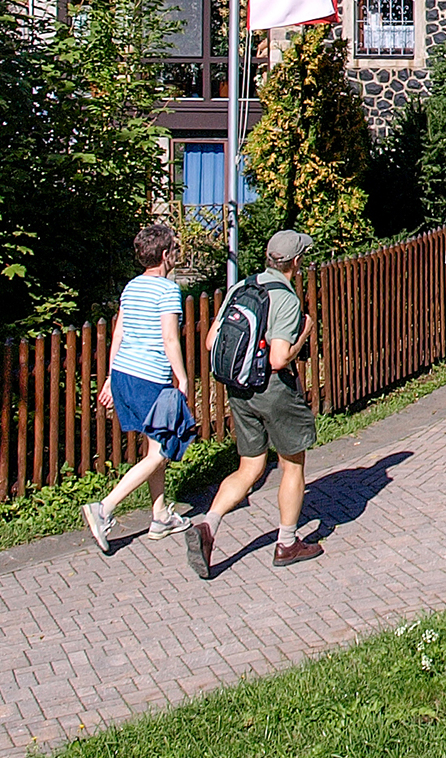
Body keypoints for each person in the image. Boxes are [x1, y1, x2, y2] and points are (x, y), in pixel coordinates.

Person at [186, 229, 323, 575]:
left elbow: (210, 342)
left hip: (240, 390)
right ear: (295, 261)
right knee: (292, 463)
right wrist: (304, 333)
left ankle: (208, 526)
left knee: (250, 467)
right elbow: (279, 359)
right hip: (273, 389)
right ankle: (288, 543)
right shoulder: (287, 299)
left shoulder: (242, 286)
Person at [85, 222, 198, 552]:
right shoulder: (167, 291)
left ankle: (160, 515)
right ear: (165, 256)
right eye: (175, 249)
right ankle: (103, 508)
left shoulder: (131, 287)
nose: (176, 253)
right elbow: (169, 338)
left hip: (124, 374)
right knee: (162, 451)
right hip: (151, 378)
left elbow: (118, 333)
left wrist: (109, 377)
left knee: (154, 449)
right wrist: (183, 377)